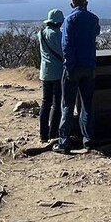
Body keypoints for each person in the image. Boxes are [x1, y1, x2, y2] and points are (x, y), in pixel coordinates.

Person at [54, 0, 99, 153]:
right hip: (90, 66)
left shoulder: (69, 20)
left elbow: (66, 44)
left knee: (67, 104)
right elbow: (96, 32)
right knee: (87, 104)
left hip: (72, 68)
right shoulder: (94, 19)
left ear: (72, 3)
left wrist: (69, 64)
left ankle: (64, 142)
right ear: (86, 3)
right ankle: (88, 140)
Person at [38, 8, 66, 143]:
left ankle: (43, 134)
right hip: (58, 73)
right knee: (57, 104)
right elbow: (63, 53)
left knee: (45, 103)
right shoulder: (58, 35)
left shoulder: (41, 34)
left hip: (45, 72)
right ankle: (53, 134)